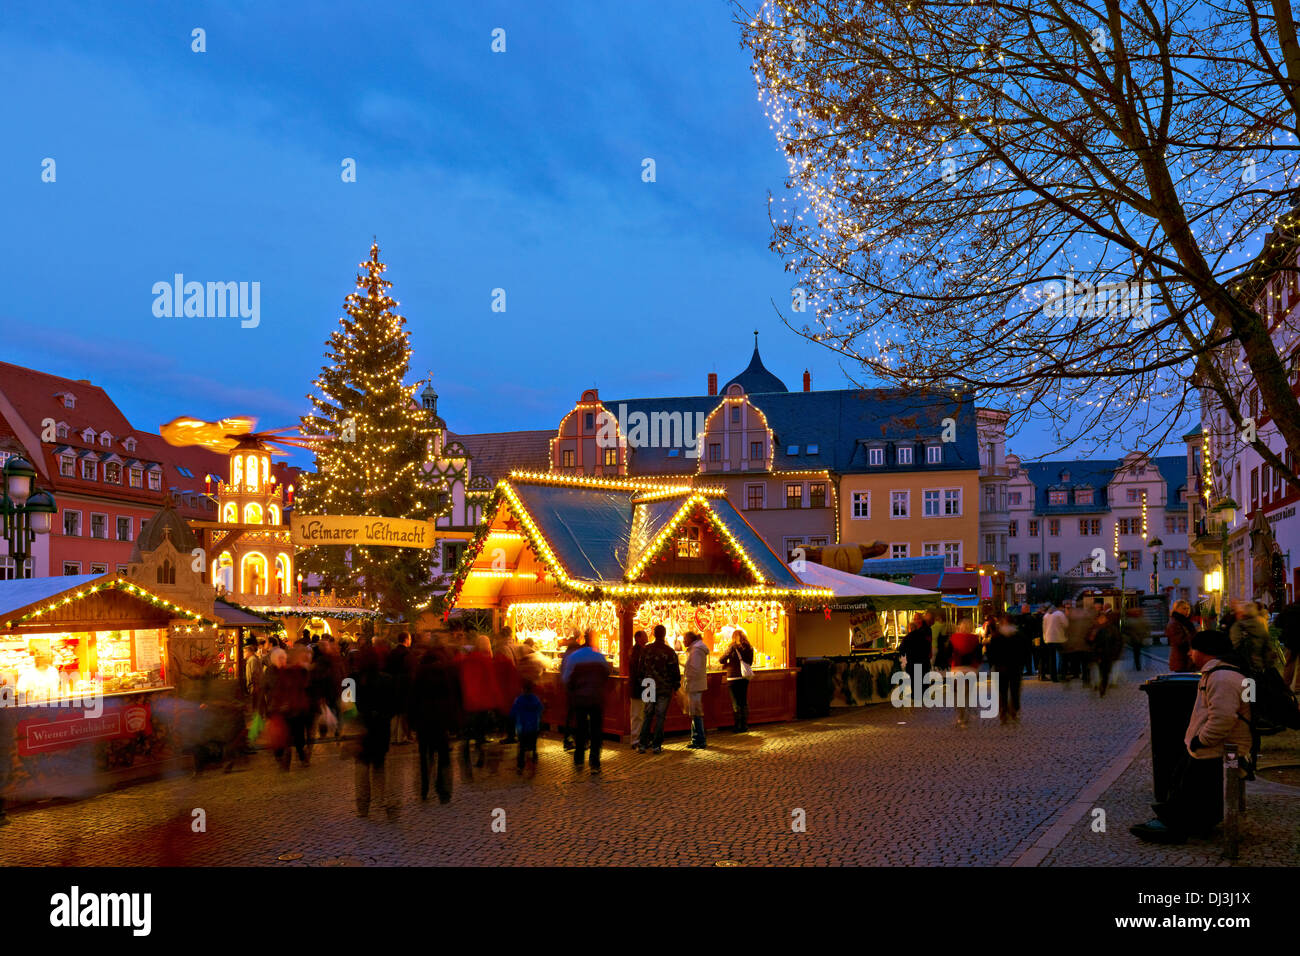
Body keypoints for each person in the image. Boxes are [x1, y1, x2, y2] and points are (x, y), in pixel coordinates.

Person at [1130, 631, 1252, 844]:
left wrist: (1201, 740)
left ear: (1204, 652)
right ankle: (1178, 818)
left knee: (1192, 773)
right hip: (1223, 743)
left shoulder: (1222, 677)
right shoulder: (1219, 673)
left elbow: (1223, 719)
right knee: (1181, 772)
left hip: (1225, 747)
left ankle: (1175, 825)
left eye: (1192, 649)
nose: (1189, 653)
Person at [354, 641, 398, 818]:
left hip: (360, 729)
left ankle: (363, 807)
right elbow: (393, 705)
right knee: (379, 767)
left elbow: (346, 706)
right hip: (380, 729)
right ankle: (381, 801)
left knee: (361, 767)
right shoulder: (386, 680)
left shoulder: (352, 680)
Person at [410, 638, 457, 803]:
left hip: (424, 718)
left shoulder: (420, 672)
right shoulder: (446, 671)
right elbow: (452, 697)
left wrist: (412, 723)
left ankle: (424, 789)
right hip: (441, 718)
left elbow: (414, 698)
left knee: (425, 756)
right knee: (443, 755)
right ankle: (443, 791)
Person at [562, 629, 612, 774]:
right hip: (596, 698)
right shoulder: (599, 656)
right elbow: (606, 674)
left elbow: (566, 678)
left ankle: (578, 760)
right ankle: (595, 763)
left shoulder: (574, 657)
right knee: (596, 731)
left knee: (580, 728)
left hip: (580, 699)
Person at [456, 632, 498, 772]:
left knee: (468, 731)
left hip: (470, 700)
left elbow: (463, 679)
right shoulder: (487, 661)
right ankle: (480, 753)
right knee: (480, 732)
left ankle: (466, 755)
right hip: (482, 702)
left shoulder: (468, 659)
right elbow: (491, 682)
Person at [266, 645, 312, 769]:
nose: (282, 661)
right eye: (279, 658)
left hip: (295, 709)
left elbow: (303, 683)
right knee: (282, 735)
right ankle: (282, 755)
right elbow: (270, 690)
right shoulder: (273, 672)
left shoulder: (292, 671)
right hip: (281, 709)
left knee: (297, 734)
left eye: (283, 658)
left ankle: (300, 755)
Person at [636, 624, 680, 753]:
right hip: (664, 687)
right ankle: (656, 744)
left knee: (648, 714)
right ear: (664, 634)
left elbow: (640, 669)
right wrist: (676, 685)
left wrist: (641, 681)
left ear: (654, 634)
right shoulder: (669, 651)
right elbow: (674, 671)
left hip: (648, 684)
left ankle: (643, 744)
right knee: (660, 716)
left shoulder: (646, 649)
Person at [985, 613, 1025, 722]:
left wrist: (992, 664)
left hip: (1001, 667)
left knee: (1002, 691)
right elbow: (1024, 651)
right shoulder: (1018, 635)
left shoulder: (996, 636)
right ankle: (1014, 710)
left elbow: (991, 652)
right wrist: (1022, 664)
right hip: (1015, 667)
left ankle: (1003, 711)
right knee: (1015, 690)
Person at [718, 627, 756, 731]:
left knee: (736, 702)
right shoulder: (750, 648)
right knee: (743, 700)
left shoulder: (732, 647)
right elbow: (750, 662)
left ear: (734, 637)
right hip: (744, 677)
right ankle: (745, 725)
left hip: (733, 677)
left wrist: (729, 663)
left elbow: (721, 660)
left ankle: (738, 725)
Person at [1229, 601, 1280, 675]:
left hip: (1242, 666)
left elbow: (1234, 644)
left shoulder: (1238, 626)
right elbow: (1267, 648)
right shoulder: (1260, 626)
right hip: (1259, 666)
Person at [948, 619, 981, 728]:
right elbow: (978, 656)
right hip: (971, 670)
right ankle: (967, 714)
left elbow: (948, 654)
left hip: (957, 669)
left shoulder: (953, 639)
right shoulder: (975, 639)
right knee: (967, 694)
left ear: (960, 627)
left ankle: (961, 716)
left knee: (958, 695)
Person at [510, 680, 545, 776]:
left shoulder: (519, 700)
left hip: (522, 727)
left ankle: (520, 766)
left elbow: (513, 712)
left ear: (523, 689)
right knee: (533, 745)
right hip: (534, 727)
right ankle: (533, 760)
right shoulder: (536, 699)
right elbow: (541, 709)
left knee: (521, 747)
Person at [682, 631, 710, 749]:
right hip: (696, 684)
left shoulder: (696, 651)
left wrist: (687, 680)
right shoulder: (696, 649)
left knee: (696, 712)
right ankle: (696, 738)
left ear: (690, 639)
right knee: (695, 712)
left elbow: (694, 669)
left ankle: (699, 739)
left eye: (684, 639)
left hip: (694, 685)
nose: (683, 641)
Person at [493, 634, 522, 744]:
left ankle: (510, 735)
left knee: (508, 713)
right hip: (512, 689)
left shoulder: (501, 659)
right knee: (512, 713)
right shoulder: (511, 653)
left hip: (506, 690)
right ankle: (513, 734)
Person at [899, 615, 932, 707]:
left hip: (913, 662)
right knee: (923, 679)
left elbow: (901, 649)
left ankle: (916, 698)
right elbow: (928, 647)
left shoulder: (907, 638)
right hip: (923, 661)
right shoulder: (923, 636)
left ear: (909, 629)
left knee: (914, 680)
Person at [1089, 607, 1123, 697]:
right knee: (1098, 671)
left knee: (1105, 673)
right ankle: (1098, 685)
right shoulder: (1094, 629)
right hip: (1097, 654)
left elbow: (1118, 641)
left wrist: (1115, 652)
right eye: (1100, 618)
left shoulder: (1111, 628)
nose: (1101, 620)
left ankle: (1102, 687)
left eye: (1103, 618)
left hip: (1108, 654)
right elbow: (1089, 641)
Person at [628, 629, 649, 744]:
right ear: (638, 638)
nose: (647, 636)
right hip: (639, 687)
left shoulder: (639, 650)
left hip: (641, 686)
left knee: (642, 714)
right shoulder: (637, 652)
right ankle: (636, 740)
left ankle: (640, 738)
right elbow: (639, 671)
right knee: (637, 714)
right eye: (644, 635)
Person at [1165, 600, 1197, 672]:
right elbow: (1179, 641)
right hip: (1180, 660)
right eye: (1184, 608)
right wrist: (1194, 638)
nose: (1187, 611)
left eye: (1188, 608)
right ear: (1176, 609)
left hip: (1188, 659)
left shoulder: (1186, 621)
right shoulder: (1174, 623)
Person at [1040, 603, 1067, 681]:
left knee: (1052, 658)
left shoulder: (1046, 616)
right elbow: (1066, 624)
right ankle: (1062, 675)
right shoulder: (1060, 614)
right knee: (1063, 657)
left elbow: (1044, 628)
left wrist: (1045, 639)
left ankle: (1053, 677)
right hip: (1059, 638)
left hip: (1049, 639)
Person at [243, 638, 265, 716]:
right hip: (255, 686)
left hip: (255, 687)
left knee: (256, 706)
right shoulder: (253, 659)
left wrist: (255, 687)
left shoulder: (252, 660)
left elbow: (255, 674)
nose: (244, 654)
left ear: (249, 652)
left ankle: (257, 722)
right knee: (257, 705)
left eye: (245, 652)